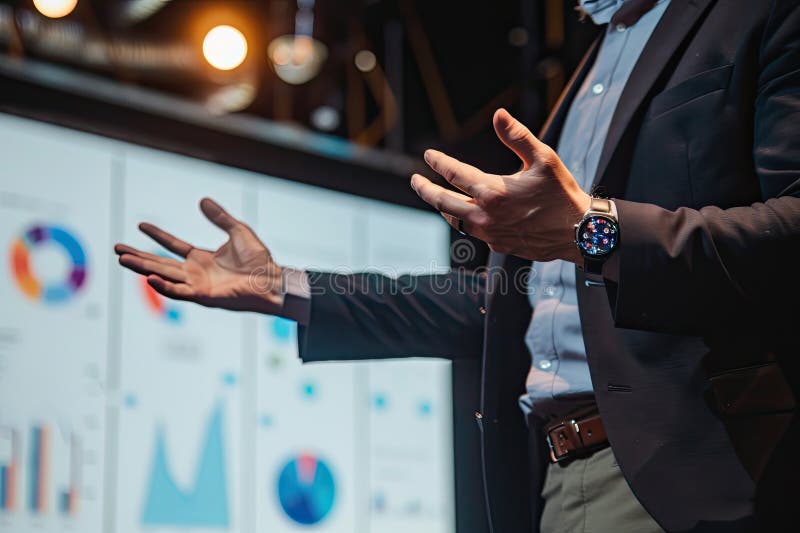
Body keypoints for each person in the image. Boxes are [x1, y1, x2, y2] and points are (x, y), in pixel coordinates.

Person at [115, 0, 800, 531]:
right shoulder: (595, 63)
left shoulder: (757, 12)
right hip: (553, 475)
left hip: (698, 468)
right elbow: (507, 306)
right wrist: (283, 288)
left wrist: (595, 231)